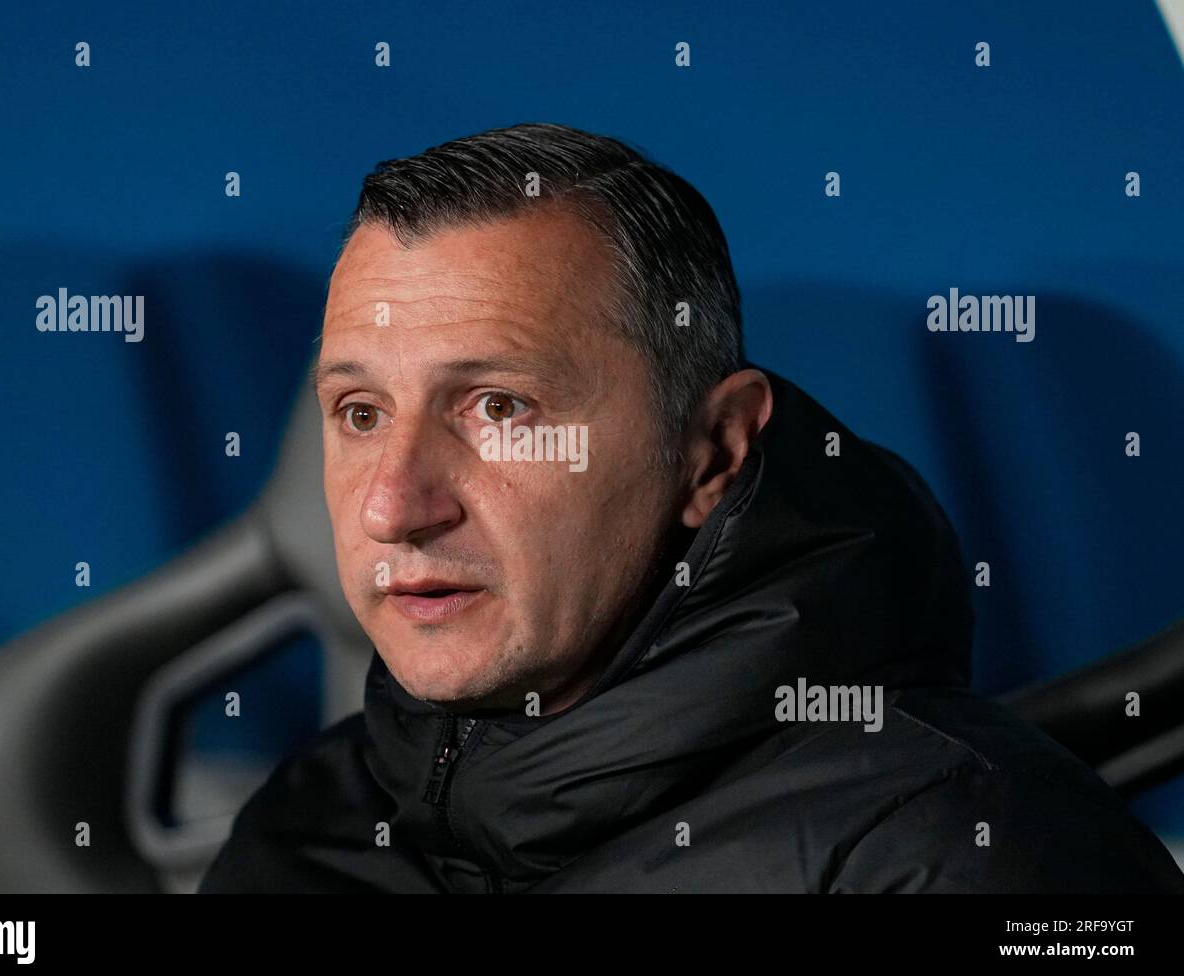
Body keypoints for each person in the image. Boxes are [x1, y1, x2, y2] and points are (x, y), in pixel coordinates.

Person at [200, 123, 1184, 893]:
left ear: (712, 451)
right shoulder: (313, 819)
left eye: (499, 406)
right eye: (359, 412)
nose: (393, 504)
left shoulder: (970, 851)